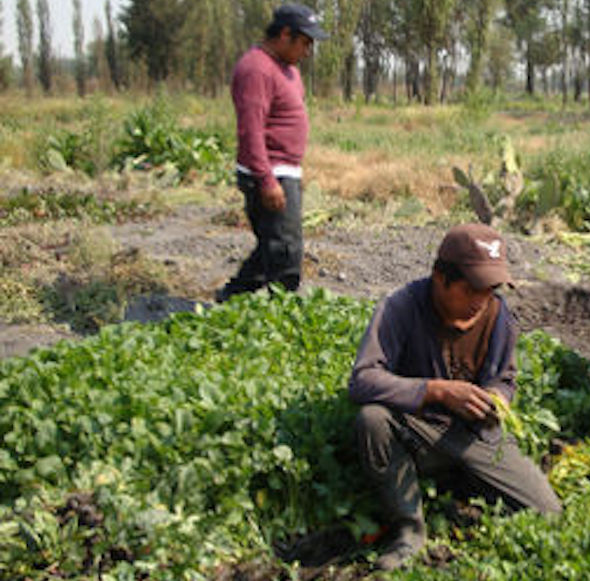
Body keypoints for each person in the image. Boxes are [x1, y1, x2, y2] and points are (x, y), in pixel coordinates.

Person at [349, 224, 562, 571]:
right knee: (372, 419)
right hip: (418, 431)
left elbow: (504, 378)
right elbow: (362, 380)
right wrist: (437, 391)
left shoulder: (498, 314)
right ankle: (409, 531)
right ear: (440, 278)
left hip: (475, 435)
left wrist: (497, 397)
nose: (481, 300)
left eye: (490, 289)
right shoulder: (401, 306)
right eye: (472, 289)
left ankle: (462, 483)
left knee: (548, 514)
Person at [216, 3, 327, 302]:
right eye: (305, 42)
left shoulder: (286, 68)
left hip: (284, 171)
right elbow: (250, 130)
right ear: (285, 34)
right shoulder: (256, 69)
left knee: (272, 246)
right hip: (269, 173)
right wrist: (266, 180)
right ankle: (282, 314)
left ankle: (232, 298)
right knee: (286, 252)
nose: (307, 51)